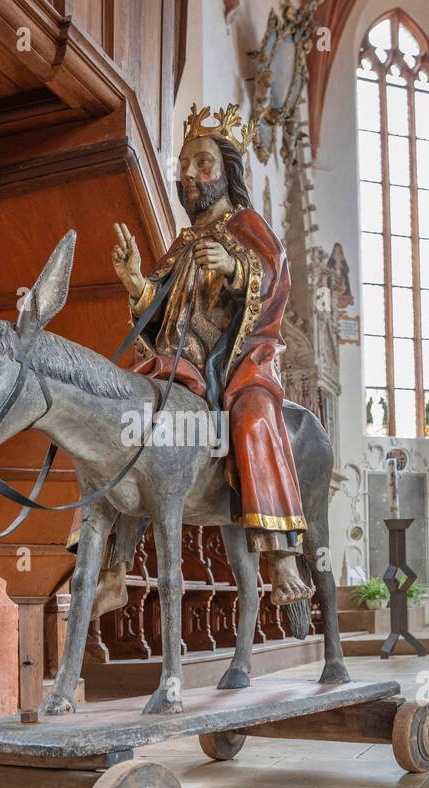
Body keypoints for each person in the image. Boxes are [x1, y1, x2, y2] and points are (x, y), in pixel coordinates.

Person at [87, 102, 312, 617]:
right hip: (181, 364)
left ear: (227, 172)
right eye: (185, 165)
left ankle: (281, 556)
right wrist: (137, 285)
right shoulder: (184, 241)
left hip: (238, 363)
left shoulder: (248, 226)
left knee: (255, 416)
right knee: (121, 418)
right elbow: (166, 310)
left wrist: (236, 269)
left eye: (202, 163)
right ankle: (112, 567)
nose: (189, 175)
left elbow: (276, 279)